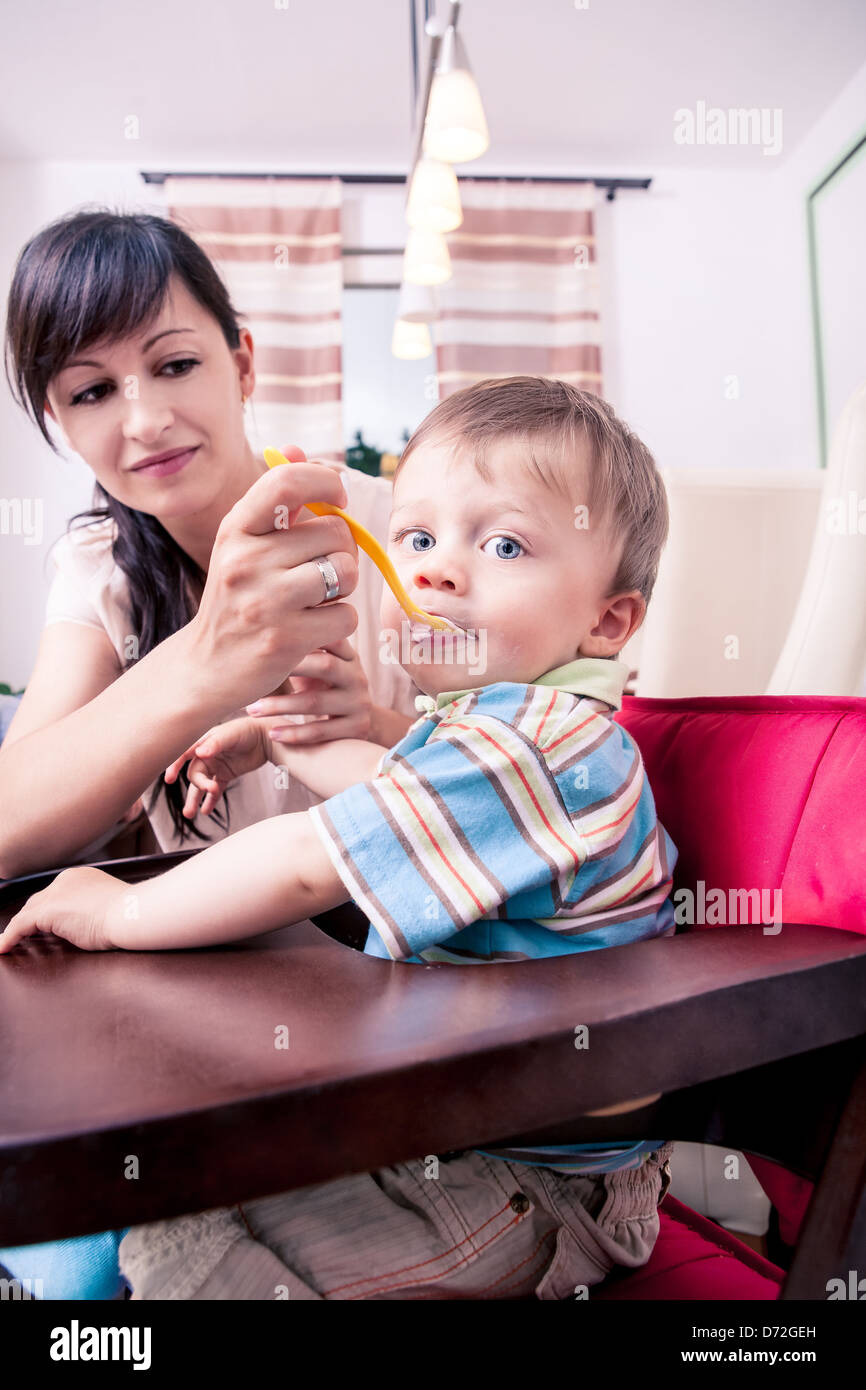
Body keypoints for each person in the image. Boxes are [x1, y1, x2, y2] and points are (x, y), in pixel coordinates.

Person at [1, 375, 678, 1301]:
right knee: (184, 1186)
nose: (438, 570)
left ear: (608, 620)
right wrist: (281, 739)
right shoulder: (498, 728)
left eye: (506, 543)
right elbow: (391, 793)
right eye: (420, 537)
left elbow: (304, 860)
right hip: (469, 1133)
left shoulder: (538, 742)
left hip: (536, 1185)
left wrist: (115, 908)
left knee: (173, 1244)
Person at [0, 208, 420, 1297]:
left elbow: (504, 775)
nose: (142, 420)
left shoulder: (388, 531)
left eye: (174, 363)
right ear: (57, 417)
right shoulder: (102, 563)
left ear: (240, 361)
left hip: (385, 1017)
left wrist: (373, 726)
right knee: (76, 1269)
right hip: (175, 1024)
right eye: (90, 391)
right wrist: (205, 661)